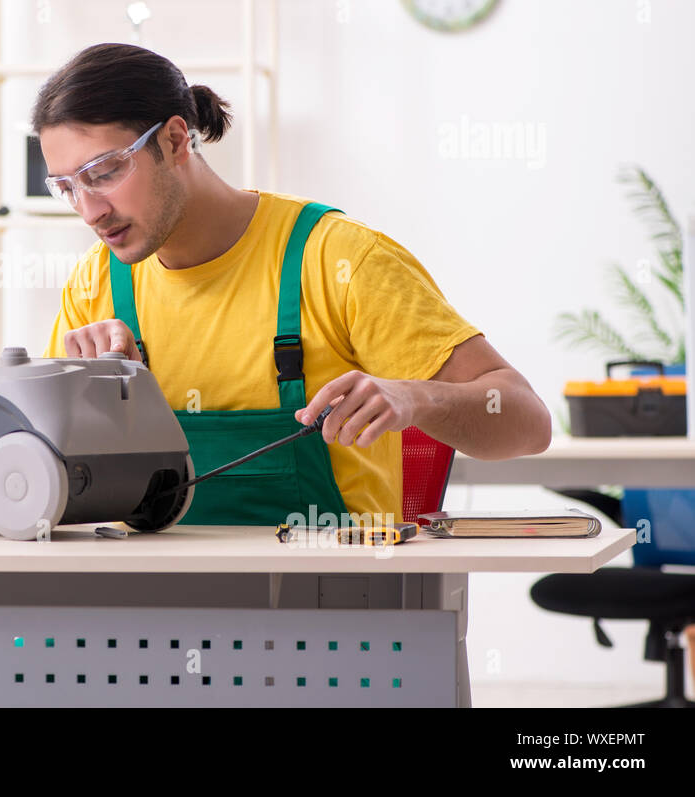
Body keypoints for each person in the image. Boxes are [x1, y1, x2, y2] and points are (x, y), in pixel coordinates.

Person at [35, 43, 551, 526]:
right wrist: (88, 396)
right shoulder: (97, 282)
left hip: (330, 606)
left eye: (102, 172)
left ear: (174, 140)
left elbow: (528, 422)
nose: (89, 211)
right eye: (66, 188)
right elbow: (42, 467)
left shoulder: (337, 260)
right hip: (148, 611)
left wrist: (414, 399)